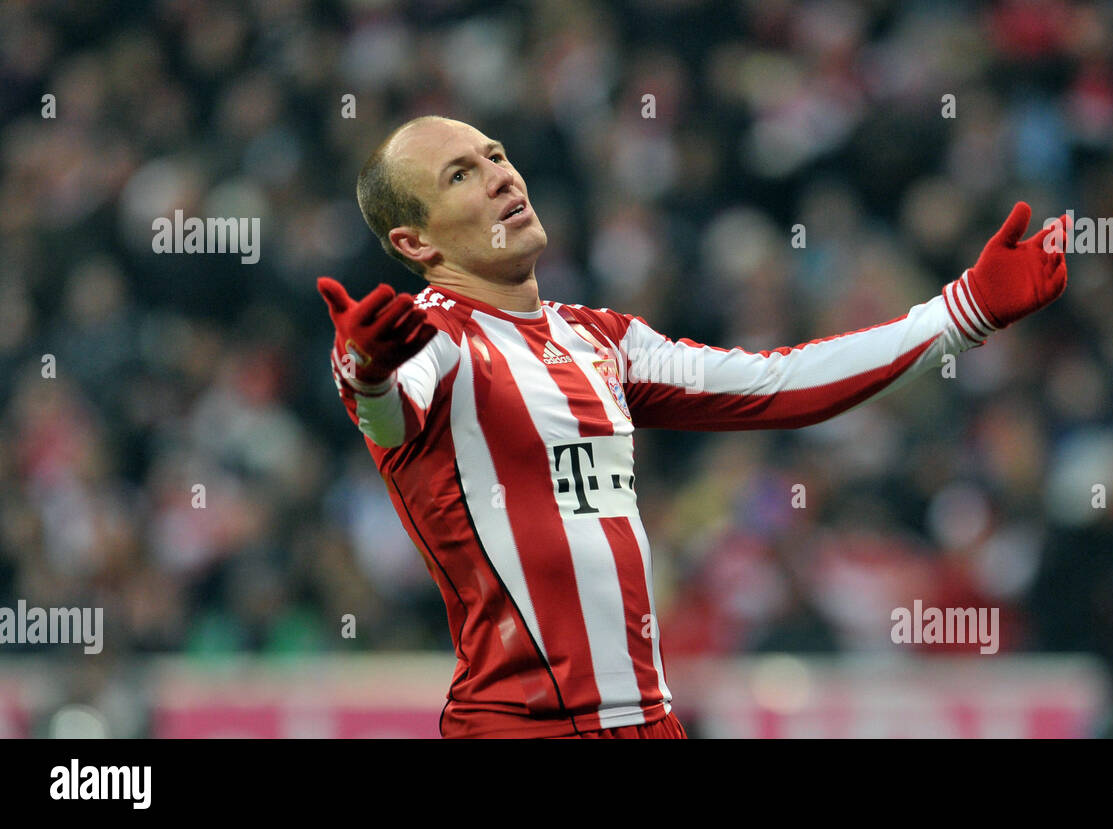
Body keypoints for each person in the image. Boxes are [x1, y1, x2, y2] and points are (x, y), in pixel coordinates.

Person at [317, 115, 1068, 738]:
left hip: (649, 720)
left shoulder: (599, 340)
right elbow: (386, 416)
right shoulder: (427, 338)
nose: (501, 176)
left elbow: (779, 383)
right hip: (522, 725)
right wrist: (364, 370)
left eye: (497, 155)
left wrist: (960, 311)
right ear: (417, 244)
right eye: (460, 175)